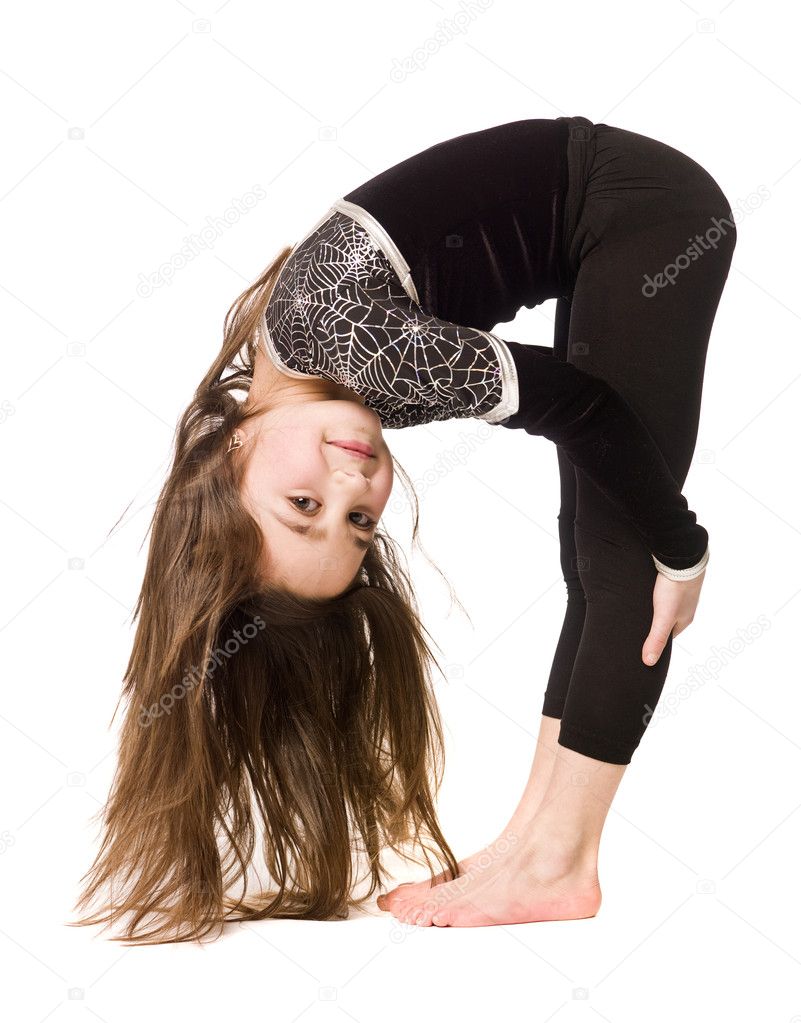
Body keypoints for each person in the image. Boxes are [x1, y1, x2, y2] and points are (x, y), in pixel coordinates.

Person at [70, 116, 736, 942]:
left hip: (646, 209)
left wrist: (684, 545)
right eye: (356, 525)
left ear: (231, 450)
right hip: (599, 225)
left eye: (302, 507)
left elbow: (578, 404)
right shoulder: (300, 383)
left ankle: (560, 862)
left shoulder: (348, 347)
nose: (353, 485)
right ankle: (530, 836)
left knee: (630, 561)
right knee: (592, 564)